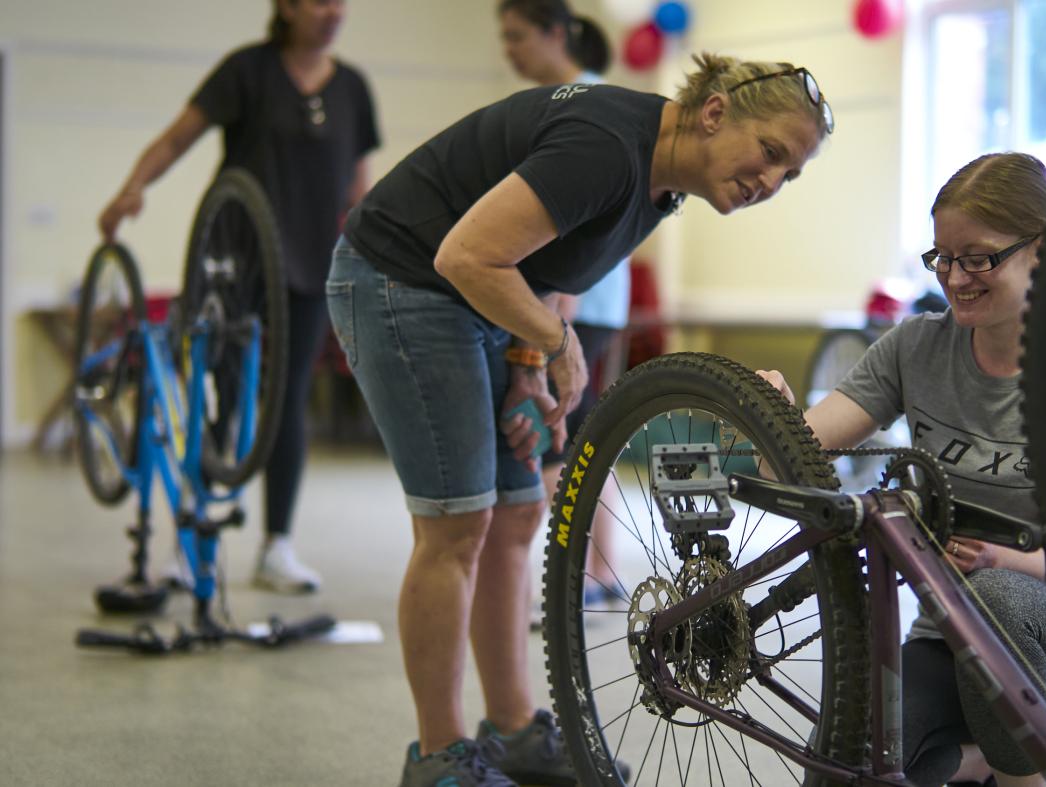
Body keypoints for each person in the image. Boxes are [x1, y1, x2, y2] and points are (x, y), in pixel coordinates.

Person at [326, 53, 835, 786]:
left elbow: (553, 265)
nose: (771, 182)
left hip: (469, 297)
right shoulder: (608, 144)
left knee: (517, 513)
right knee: (456, 523)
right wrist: (554, 344)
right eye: (772, 152)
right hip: (402, 281)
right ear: (716, 112)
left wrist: (527, 373)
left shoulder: (659, 183)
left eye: (789, 174)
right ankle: (437, 756)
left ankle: (512, 729)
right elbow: (466, 254)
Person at [757, 152, 1046, 786]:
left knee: (991, 599)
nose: (955, 277)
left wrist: (999, 559)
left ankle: (1019, 776)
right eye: (941, 257)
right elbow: (800, 448)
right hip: (951, 638)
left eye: (979, 257)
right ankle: (973, 766)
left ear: (1043, 249)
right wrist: (767, 415)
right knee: (844, 757)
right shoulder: (916, 347)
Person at [97, 0, 379, 595]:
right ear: (288, 7)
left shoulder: (353, 87)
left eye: (341, 2)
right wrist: (131, 189)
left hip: (311, 263)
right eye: (320, 1)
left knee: (286, 397)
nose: (334, 12)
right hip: (233, 256)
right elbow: (178, 140)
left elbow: (360, 186)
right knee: (224, 391)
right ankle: (192, 542)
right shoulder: (246, 72)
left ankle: (276, 546)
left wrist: (375, 255)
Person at [497, 0, 629, 629]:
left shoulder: (584, 103)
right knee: (580, 438)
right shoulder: (570, 99)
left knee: (558, 441)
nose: (509, 50)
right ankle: (599, 575)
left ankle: (572, 578)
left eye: (517, 36)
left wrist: (557, 313)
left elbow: (581, 220)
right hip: (584, 300)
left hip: (575, 300)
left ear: (556, 34)